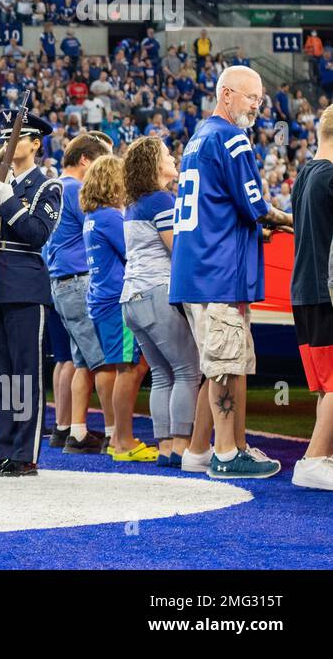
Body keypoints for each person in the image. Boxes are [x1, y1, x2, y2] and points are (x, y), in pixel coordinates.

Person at [169, 65, 291, 479]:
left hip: (201, 269)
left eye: (259, 97)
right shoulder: (230, 137)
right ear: (225, 95)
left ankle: (205, 450)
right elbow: (255, 204)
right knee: (225, 366)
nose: (257, 104)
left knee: (224, 364)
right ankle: (225, 453)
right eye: (249, 96)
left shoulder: (198, 138)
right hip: (216, 272)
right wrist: (294, 220)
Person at [0, 108, 63, 477]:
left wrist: (8, 200)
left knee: (26, 373)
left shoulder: (46, 186)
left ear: (35, 144)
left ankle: (25, 453)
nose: (7, 142)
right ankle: (6, 450)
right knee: (1, 375)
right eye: (5, 136)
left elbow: (37, 234)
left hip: (24, 287)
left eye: (17, 136)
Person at [121, 137, 204, 468]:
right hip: (157, 292)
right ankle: (182, 446)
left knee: (161, 373)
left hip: (132, 297)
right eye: (168, 154)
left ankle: (167, 445)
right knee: (187, 369)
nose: (174, 157)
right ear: (155, 165)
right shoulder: (161, 200)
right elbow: (178, 250)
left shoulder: (135, 204)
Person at [80, 155, 155, 461]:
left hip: (101, 300)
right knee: (129, 367)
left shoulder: (93, 217)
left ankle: (118, 436)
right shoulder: (111, 217)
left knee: (126, 366)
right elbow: (133, 250)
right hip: (114, 301)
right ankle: (121, 440)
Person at [45, 133, 114, 452]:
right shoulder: (76, 189)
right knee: (103, 362)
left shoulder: (54, 187)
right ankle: (115, 433)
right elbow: (99, 227)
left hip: (61, 280)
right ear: (86, 160)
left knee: (79, 361)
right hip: (78, 279)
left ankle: (74, 430)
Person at [288, 106, 333, 490]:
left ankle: (321, 457)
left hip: (304, 289)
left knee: (325, 383)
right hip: (326, 288)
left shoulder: (303, 176)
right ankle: (315, 459)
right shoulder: (331, 176)